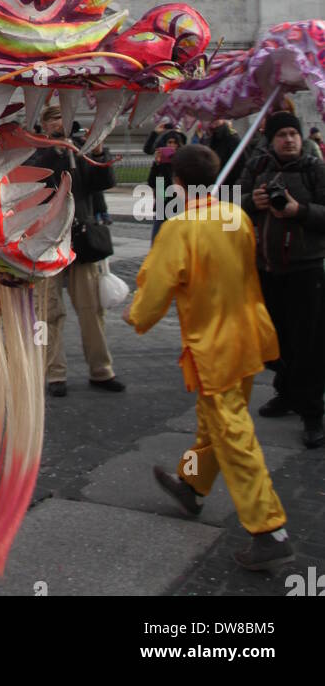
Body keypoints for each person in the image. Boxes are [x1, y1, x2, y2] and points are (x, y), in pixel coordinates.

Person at [125, 144, 293, 571]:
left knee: (232, 430)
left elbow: (156, 289)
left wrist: (134, 314)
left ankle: (268, 528)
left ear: (177, 182)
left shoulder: (180, 229)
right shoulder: (235, 216)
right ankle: (192, 484)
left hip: (212, 347)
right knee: (214, 422)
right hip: (247, 336)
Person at [238, 111, 325, 450]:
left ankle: (312, 413)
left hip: (305, 270)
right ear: (270, 139)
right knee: (273, 342)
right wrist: (251, 202)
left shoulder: (314, 169)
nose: (289, 139)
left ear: (301, 137)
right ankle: (286, 392)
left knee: (308, 346)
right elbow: (231, 211)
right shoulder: (256, 168)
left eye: (293, 133)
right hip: (265, 269)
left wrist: (298, 211)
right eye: (281, 135)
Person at [31, 102, 124, 396]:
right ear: (44, 125)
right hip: (47, 243)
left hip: (81, 239)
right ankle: (54, 373)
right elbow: (36, 183)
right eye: (53, 120)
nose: (58, 125)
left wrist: (97, 152)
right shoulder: (36, 150)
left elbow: (103, 182)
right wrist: (56, 151)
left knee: (91, 309)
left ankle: (101, 370)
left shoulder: (80, 149)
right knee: (49, 312)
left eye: (63, 119)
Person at [147, 128, 187, 244]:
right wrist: (157, 164)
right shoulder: (160, 162)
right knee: (157, 239)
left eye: (175, 143)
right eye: (169, 142)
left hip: (177, 204)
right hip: (162, 203)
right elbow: (152, 182)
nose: (172, 145)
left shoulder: (182, 161)